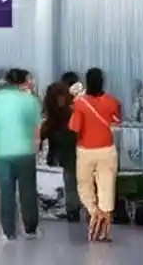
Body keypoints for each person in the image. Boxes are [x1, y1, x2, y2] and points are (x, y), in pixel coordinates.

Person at [0, 68, 41, 240]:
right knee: (27, 190)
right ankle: (30, 228)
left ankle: (8, 230)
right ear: (23, 81)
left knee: (6, 191)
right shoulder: (30, 100)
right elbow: (36, 129)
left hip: (1, 152)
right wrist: (37, 148)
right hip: (24, 151)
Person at [70, 68, 122, 242]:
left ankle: (94, 213)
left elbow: (75, 128)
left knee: (84, 187)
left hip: (85, 150)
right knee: (106, 188)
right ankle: (103, 231)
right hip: (107, 150)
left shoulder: (80, 103)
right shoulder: (112, 101)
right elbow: (117, 121)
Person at [43, 71, 82, 222]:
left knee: (70, 176)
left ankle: (72, 209)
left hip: (63, 141)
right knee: (75, 175)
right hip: (75, 139)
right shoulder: (74, 99)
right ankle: (77, 207)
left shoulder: (58, 95)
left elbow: (53, 119)